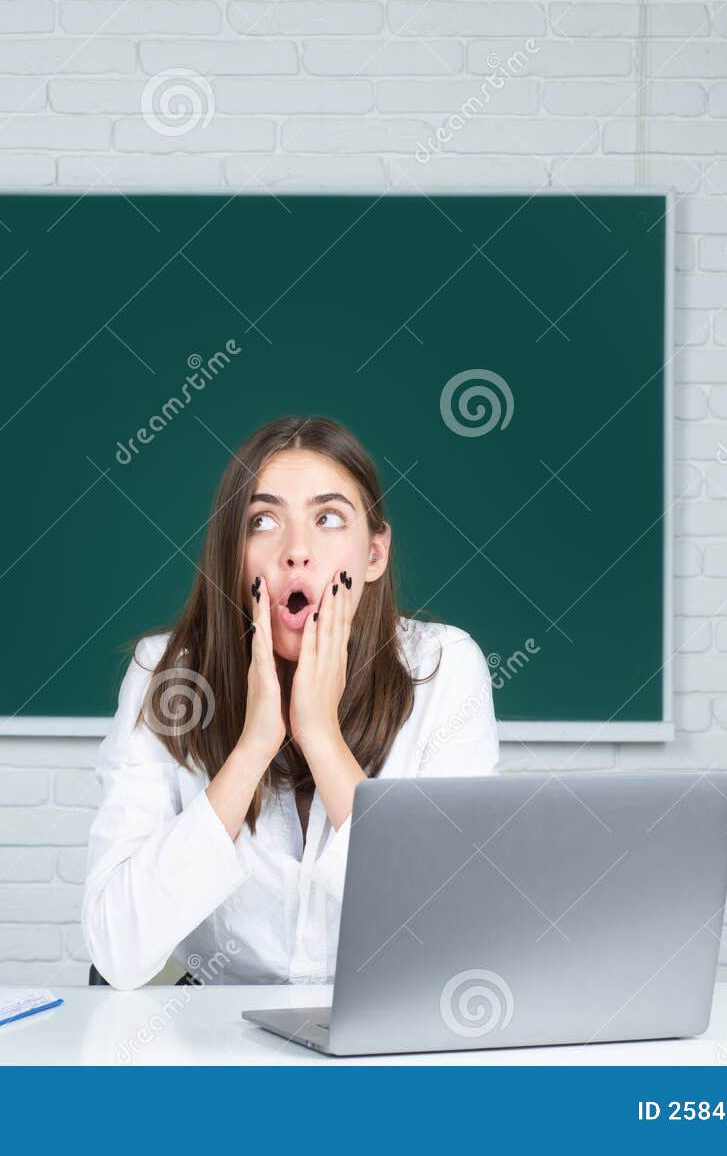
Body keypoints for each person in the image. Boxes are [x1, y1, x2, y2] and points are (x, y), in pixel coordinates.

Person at [83, 415, 500, 988]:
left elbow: (450, 927)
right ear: (234, 555)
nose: (296, 552)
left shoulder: (443, 667)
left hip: (385, 1029)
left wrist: (319, 735)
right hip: (216, 1036)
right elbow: (117, 951)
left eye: (328, 519)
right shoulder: (168, 676)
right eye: (262, 521)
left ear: (374, 554)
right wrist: (254, 747)